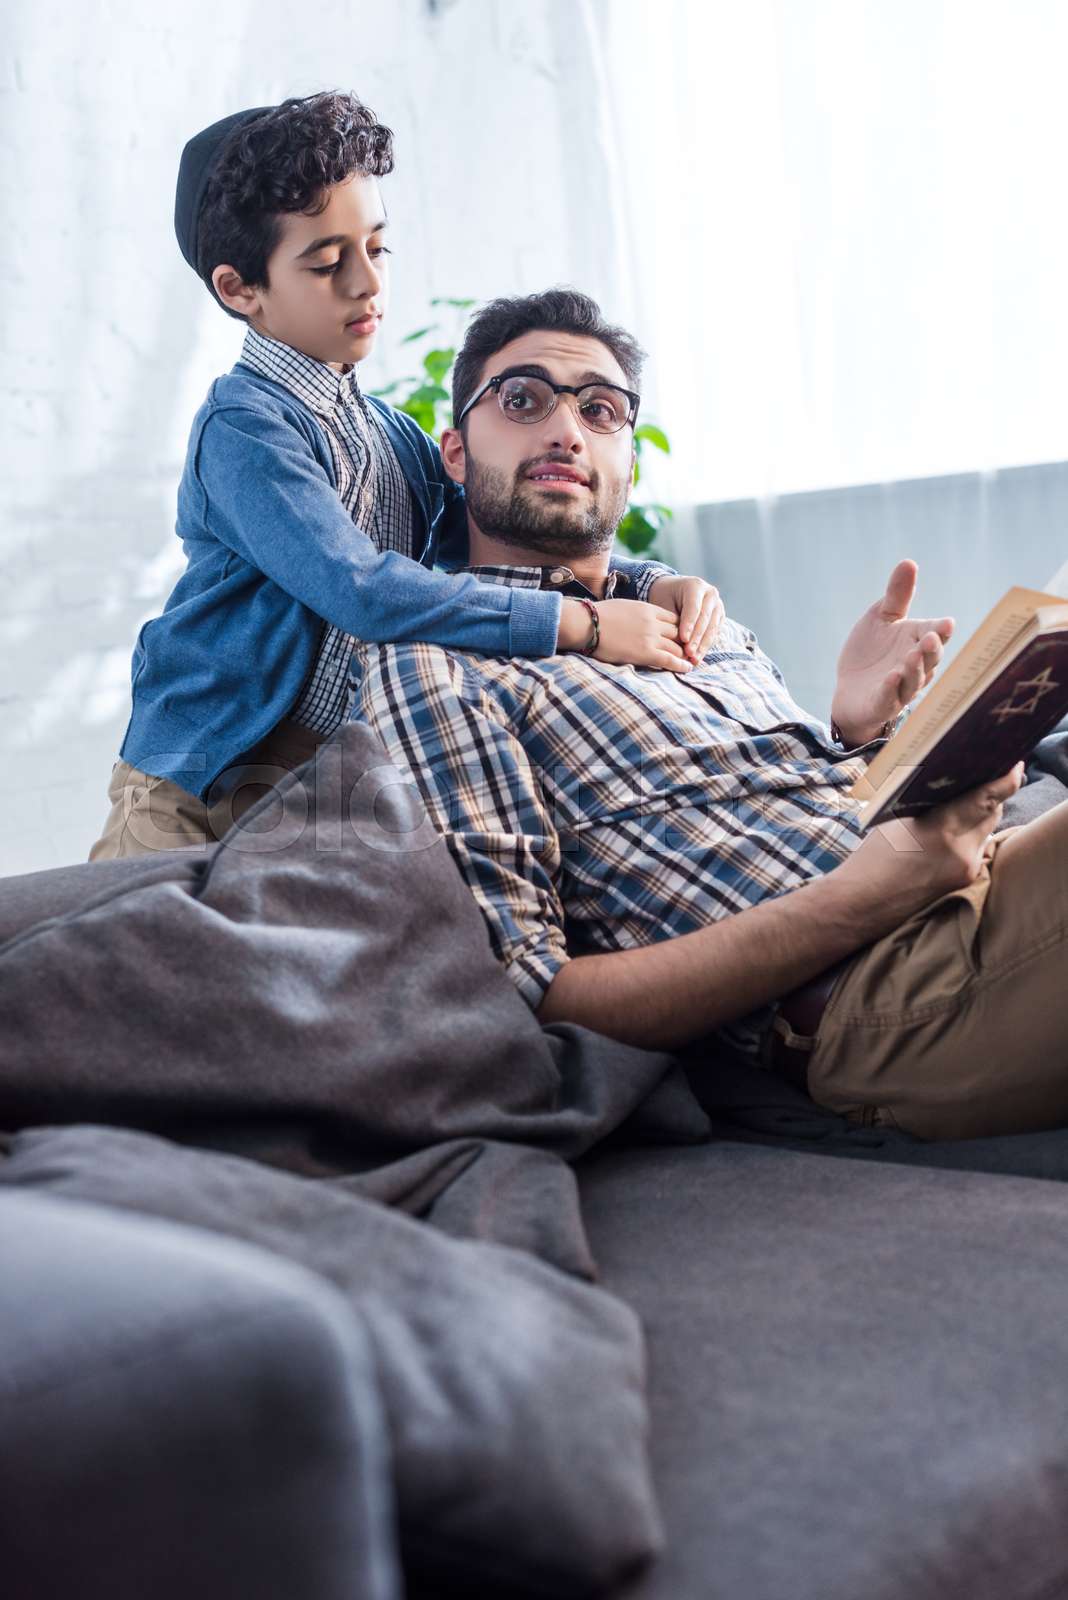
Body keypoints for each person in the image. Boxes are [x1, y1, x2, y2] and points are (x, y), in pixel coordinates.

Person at [349, 287, 1067, 1144]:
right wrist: (870, 895)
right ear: (457, 453)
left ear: (629, 459)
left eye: (601, 409)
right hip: (888, 992)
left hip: (988, 875)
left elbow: (800, 817)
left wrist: (860, 733)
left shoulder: (696, 619)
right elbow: (534, 997)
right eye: (524, 399)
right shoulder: (436, 667)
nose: (567, 431)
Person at [91, 93, 721, 860]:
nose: (366, 284)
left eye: (377, 249)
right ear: (239, 290)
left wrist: (646, 585)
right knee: (135, 966)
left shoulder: (392, 436)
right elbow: (360, 589)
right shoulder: (244, 429)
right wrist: (583, 627)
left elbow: (499, 530)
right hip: (195, 784)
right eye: (326, 262)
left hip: (319, 789)